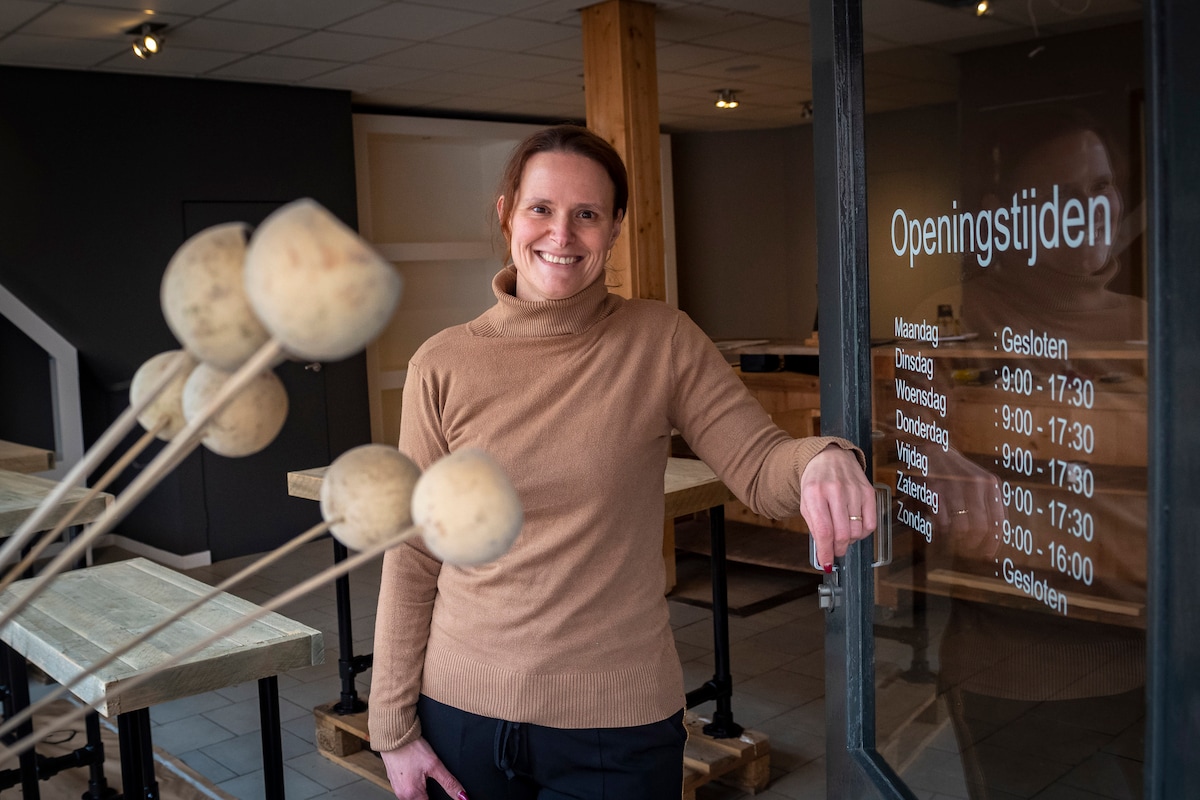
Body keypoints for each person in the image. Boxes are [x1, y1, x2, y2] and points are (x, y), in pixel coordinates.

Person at [369, 124, 877, 800]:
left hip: (615, 727)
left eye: (587, 215)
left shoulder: (660, 340)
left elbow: (758, 466)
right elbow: (413, 550)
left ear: (613, 230)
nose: (561, 234)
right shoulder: (443, 362)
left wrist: (822, 459)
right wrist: (392, 725)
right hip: (462, 715)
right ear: (506, 215)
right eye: (541, 209)